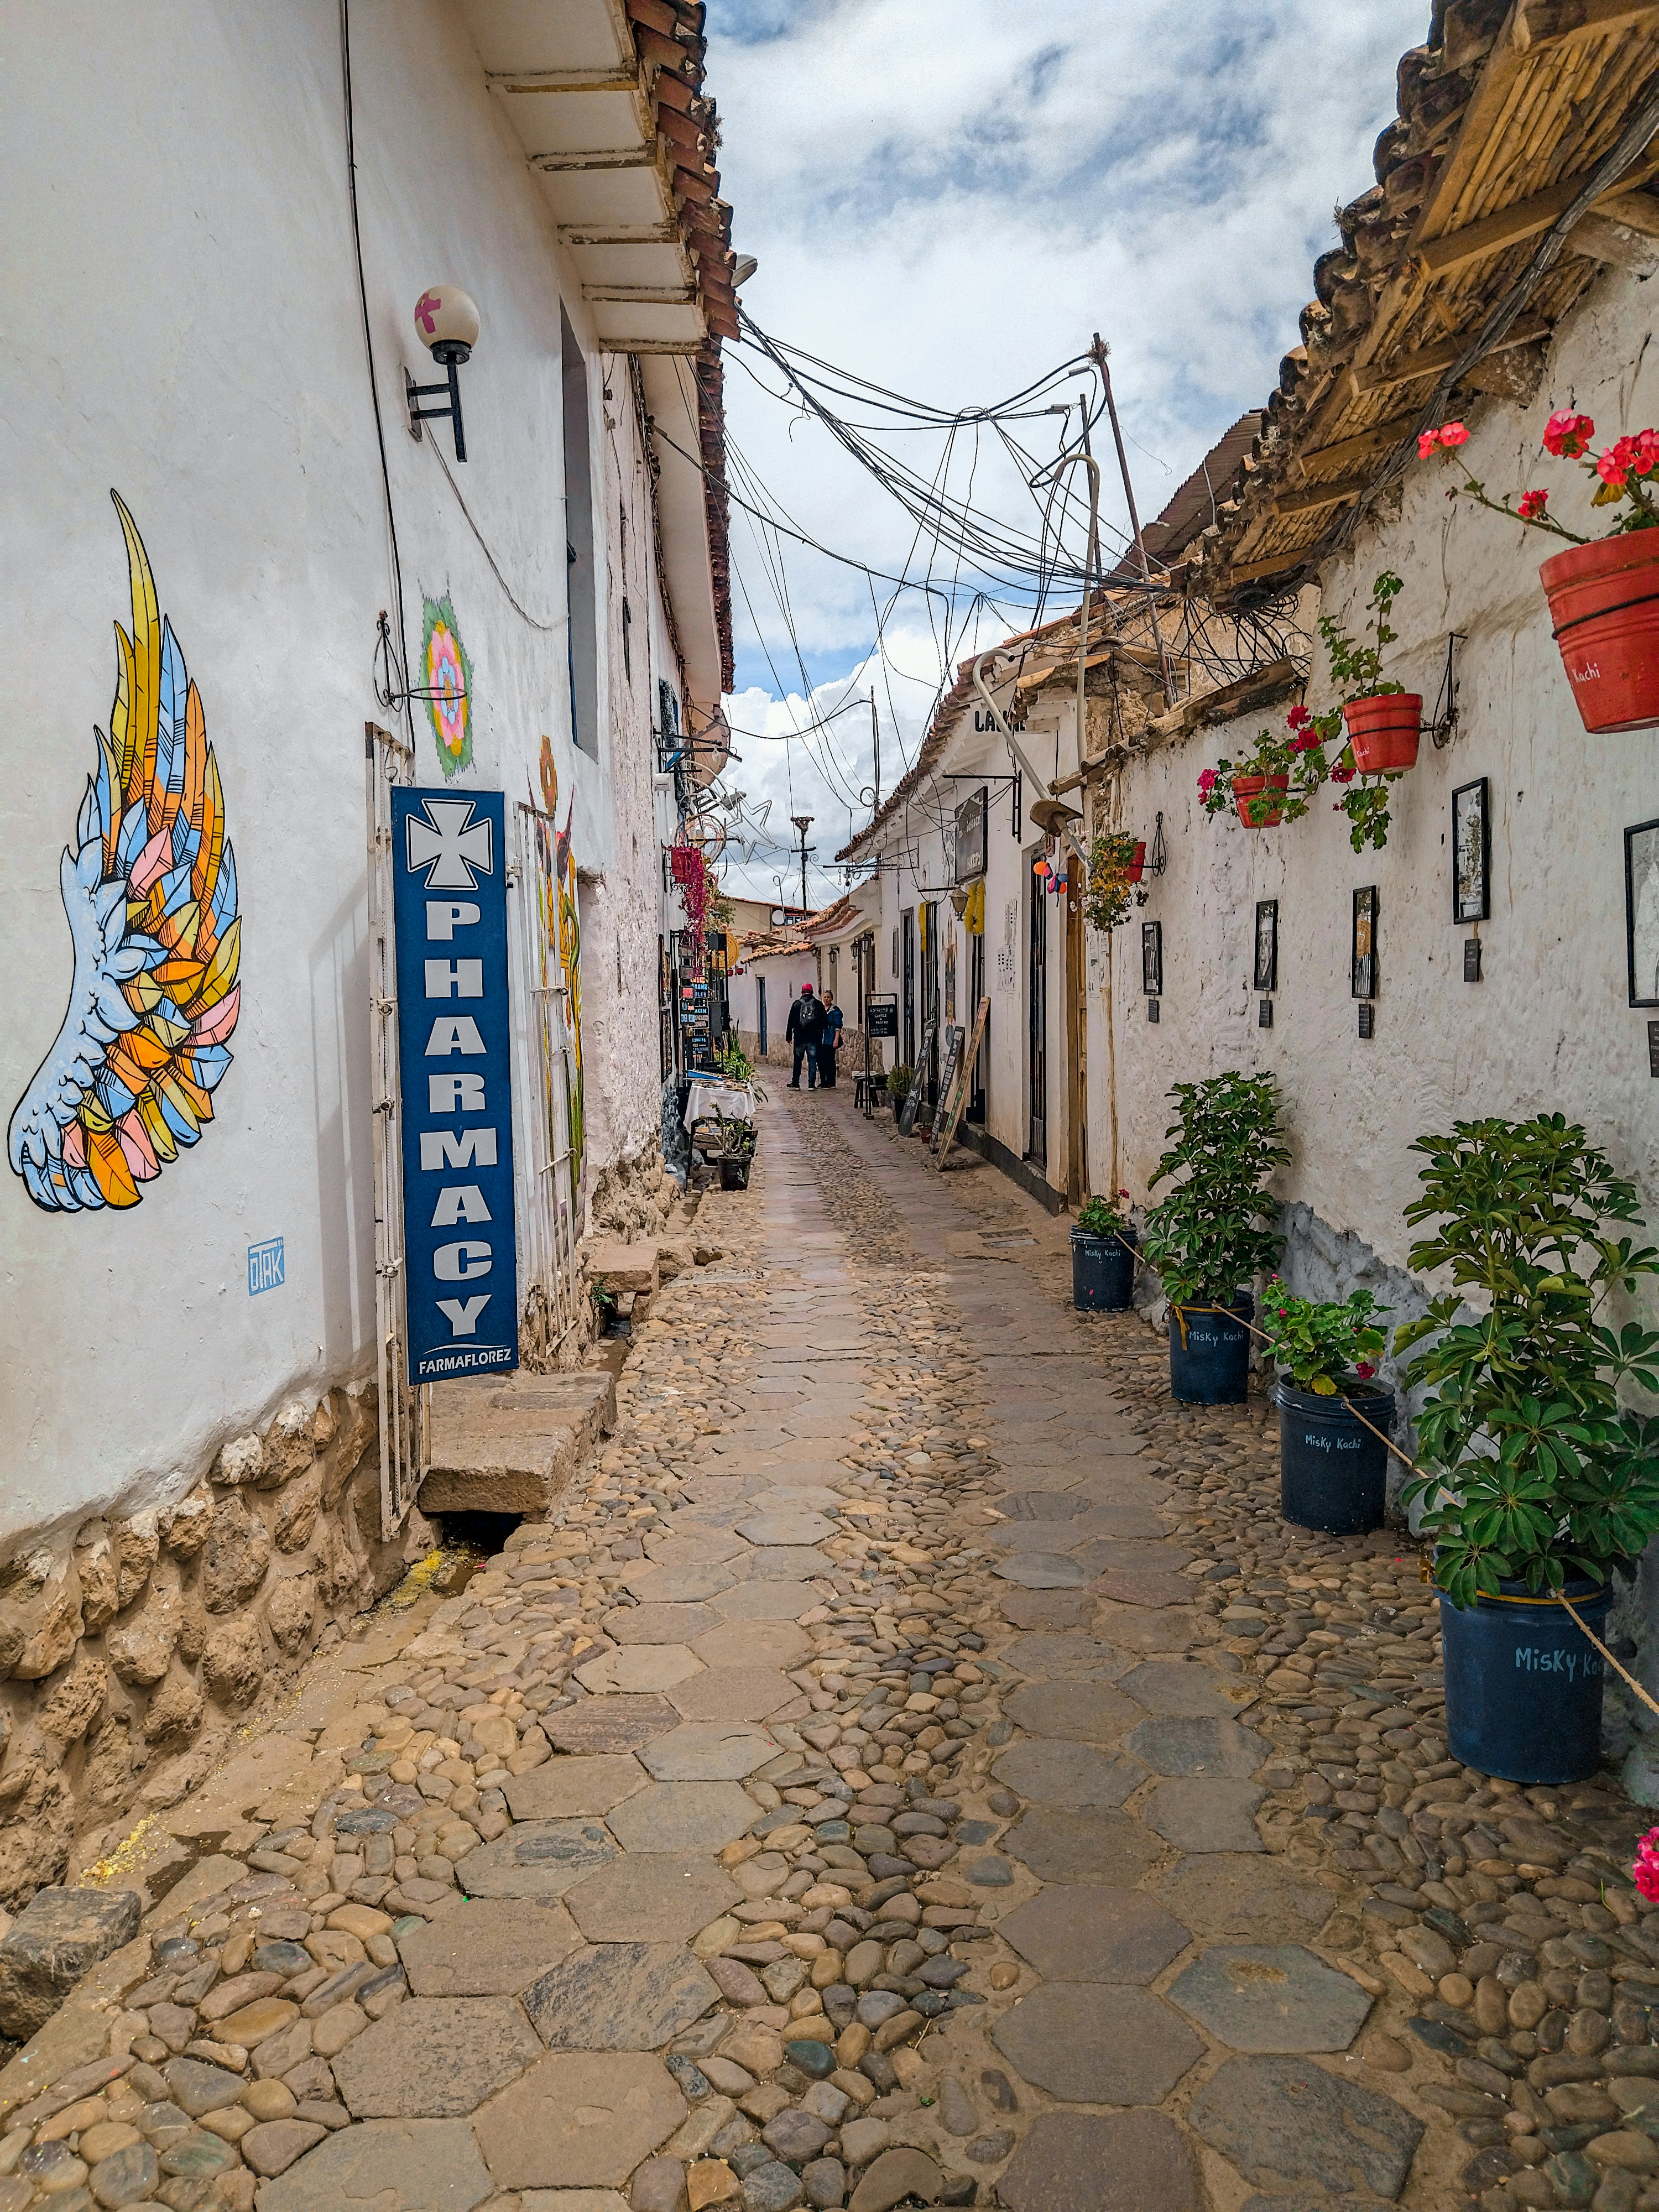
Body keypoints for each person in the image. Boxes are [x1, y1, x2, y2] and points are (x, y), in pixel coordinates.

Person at [785, 982, 824, 1088]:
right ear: (812, 992)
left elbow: (791, 1021)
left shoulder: (797, 1004)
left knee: (798, 1060)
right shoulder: (818, 1004)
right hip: (813, 1038)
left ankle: (796, 1082)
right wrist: (819, 1034)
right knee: (812, 1060)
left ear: (802, 992)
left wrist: (788, 1036)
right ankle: (812, 1084)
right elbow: (824, 1022)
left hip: (799, 1038)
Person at [818, 991, 844, 1088]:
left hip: (830, 1039)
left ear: (832, 999)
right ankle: (823, 1081)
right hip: (821, 1040)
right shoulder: (820, 1010)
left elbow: (838, 1026)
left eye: (828, 997)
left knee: (829, 1061)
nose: (826, 999)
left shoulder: (835, 1011)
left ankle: (831, 1082)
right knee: (821, 1061)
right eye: (825, 997)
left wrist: (836, 1039)